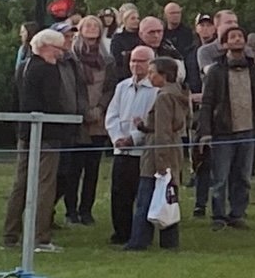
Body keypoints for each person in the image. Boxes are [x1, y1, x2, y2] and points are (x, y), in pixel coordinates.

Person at [1, 29, 83, 253]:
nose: (59, 55)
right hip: (47, 135)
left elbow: (16, 101)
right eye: (58, 49)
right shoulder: (48, 69)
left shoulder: (23, 67)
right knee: (45, 185)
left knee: (21, 184)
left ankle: (10, 236)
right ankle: (41, 238)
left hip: (25, 133)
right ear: (46, 46)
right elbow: (52, 102)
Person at [197, 25, 255, 228]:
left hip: (248, 130)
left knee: (243, 177)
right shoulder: (216, 72)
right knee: (220, 178)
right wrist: (205, 132)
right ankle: (219, 216)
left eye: (241, 36)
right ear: (224, 43)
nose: (237, 39)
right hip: (223, 132)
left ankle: (237, 213)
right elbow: (207, 102)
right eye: (233, 37)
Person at [124, 56, 187, 251]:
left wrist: (161, 163)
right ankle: (169, 241)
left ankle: (139, 240)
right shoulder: (178, 93)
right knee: (168, 196)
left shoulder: (164, 97)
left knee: (147, 197)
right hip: (173, 150)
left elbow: (163, 132)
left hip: (159, 154)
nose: (149, 76)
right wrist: (144, 127)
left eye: (152, 73)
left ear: (164, 75)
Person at [58, 15, 112, 227]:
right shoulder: (72, 58)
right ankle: (70, 210)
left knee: (93, 169)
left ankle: (86, 210)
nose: (91, 28)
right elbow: (73, 87)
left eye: (95, 25)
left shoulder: (108, 59)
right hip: (77, 118)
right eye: (87, 25)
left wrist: (100, 108)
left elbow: (110, 87)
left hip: (99, 119)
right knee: (73, 168)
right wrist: (84, 111)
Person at [103, 46, 158, 245]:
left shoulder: (155, 89)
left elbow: (152, 120)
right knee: (119, 193)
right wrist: (117, 137)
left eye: (141, 61)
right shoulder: (122, 86)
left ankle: (140, 233)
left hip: (142, 152)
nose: (136, 65)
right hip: (121, 149)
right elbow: (112, 114)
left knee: (142, 194)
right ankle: (121, 232)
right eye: (133, 61)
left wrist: (134, 138)